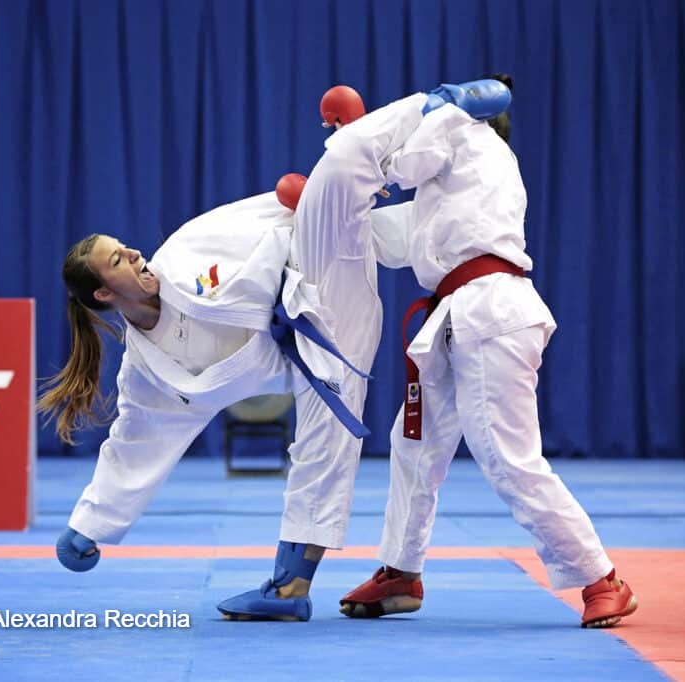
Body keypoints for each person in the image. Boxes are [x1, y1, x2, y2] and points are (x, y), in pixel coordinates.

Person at [38, 82, 512, 621]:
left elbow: (264, 213)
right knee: (322, 443)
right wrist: (90, 524)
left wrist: (308, 200)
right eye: (117, 261)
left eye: (125, 247)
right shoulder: (150, 375)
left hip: (316, 264)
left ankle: (439, 105)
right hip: (322, 345)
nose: (134, 253)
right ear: (103, 294)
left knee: (338, 174)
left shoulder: (186, 249)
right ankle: (289, 589)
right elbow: (132, 444)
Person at [337, 73, 638, 628]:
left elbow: (402, 164)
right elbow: (382, 236)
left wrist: (359, 144)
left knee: (505, 455)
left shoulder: (462, 128)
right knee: (413, 444)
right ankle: (401, 570)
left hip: (491, 312)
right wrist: (322, 203)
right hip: (457, 316)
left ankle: (602, 577)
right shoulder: (451, 188)